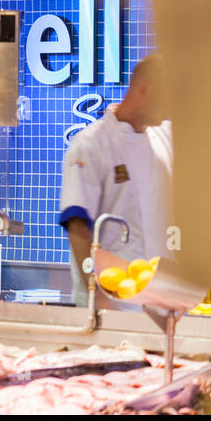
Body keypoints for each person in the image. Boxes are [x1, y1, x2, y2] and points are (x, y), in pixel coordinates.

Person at [59, 54, 172, 305]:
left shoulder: (164, 138)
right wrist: (96, 294)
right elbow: (77, 226)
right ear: (145, 90)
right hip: (112, 302)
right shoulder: (91, 144)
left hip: (160, 300)